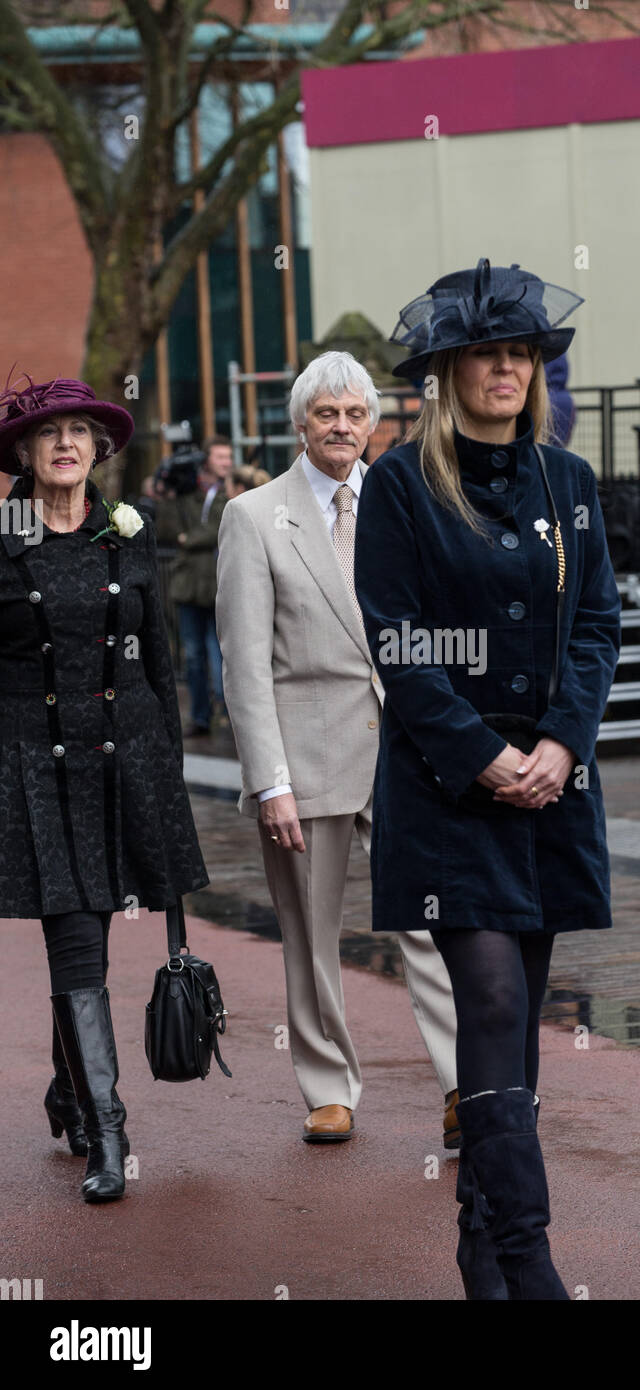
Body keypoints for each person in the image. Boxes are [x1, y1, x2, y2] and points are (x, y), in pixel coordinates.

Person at [354, 260, 621, 1299]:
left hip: (550, 787)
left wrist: (561, 742)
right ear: (448, 370)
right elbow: (397, 642)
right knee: (492, 991)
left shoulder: (572, 483)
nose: (505, 369)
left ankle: (480, 1241)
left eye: (520, 353)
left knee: (515, 1016)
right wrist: (482, 755)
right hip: (445, 786)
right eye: (484, 354)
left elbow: (594, 623)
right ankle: (526, 1251)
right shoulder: (397, 484)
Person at [215, 351, 459, 1146]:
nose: (343, 428)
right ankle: (328, 1089)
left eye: (357, 414)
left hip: (402, 750)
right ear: (300, 423)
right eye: (328, 414)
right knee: (312, 936)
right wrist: (269, 781)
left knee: (433, 922)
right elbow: (244, 666)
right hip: (306, 755)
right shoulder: (253, 516)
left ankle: (467, 1086)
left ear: (374, 423)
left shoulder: (403, 499)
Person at [0, 374, 209, 1203]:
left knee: (98, 929)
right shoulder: (2, 537)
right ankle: (109, 1131)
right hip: (33, 762)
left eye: (81, 432)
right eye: (49, 434)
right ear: (23, 451)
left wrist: (168, 766)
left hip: (126, 756)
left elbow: (156, 656)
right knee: (75, 933)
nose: (65, 444)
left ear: (100, 450)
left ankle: (69, 1092)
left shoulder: (129, 533)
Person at [156, 436, 232, 737]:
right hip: (188, 587)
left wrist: (191, 539)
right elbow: (169, 530)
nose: (225, 462)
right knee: (193, 656)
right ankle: (200, 717)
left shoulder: (232, 491)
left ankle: (228, 714)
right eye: (220, 457)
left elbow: (221, 529)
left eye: (228, 457)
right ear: (206, 461)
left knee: (220, 654)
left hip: (219, 587)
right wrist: (168, 494)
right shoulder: (188, 495)